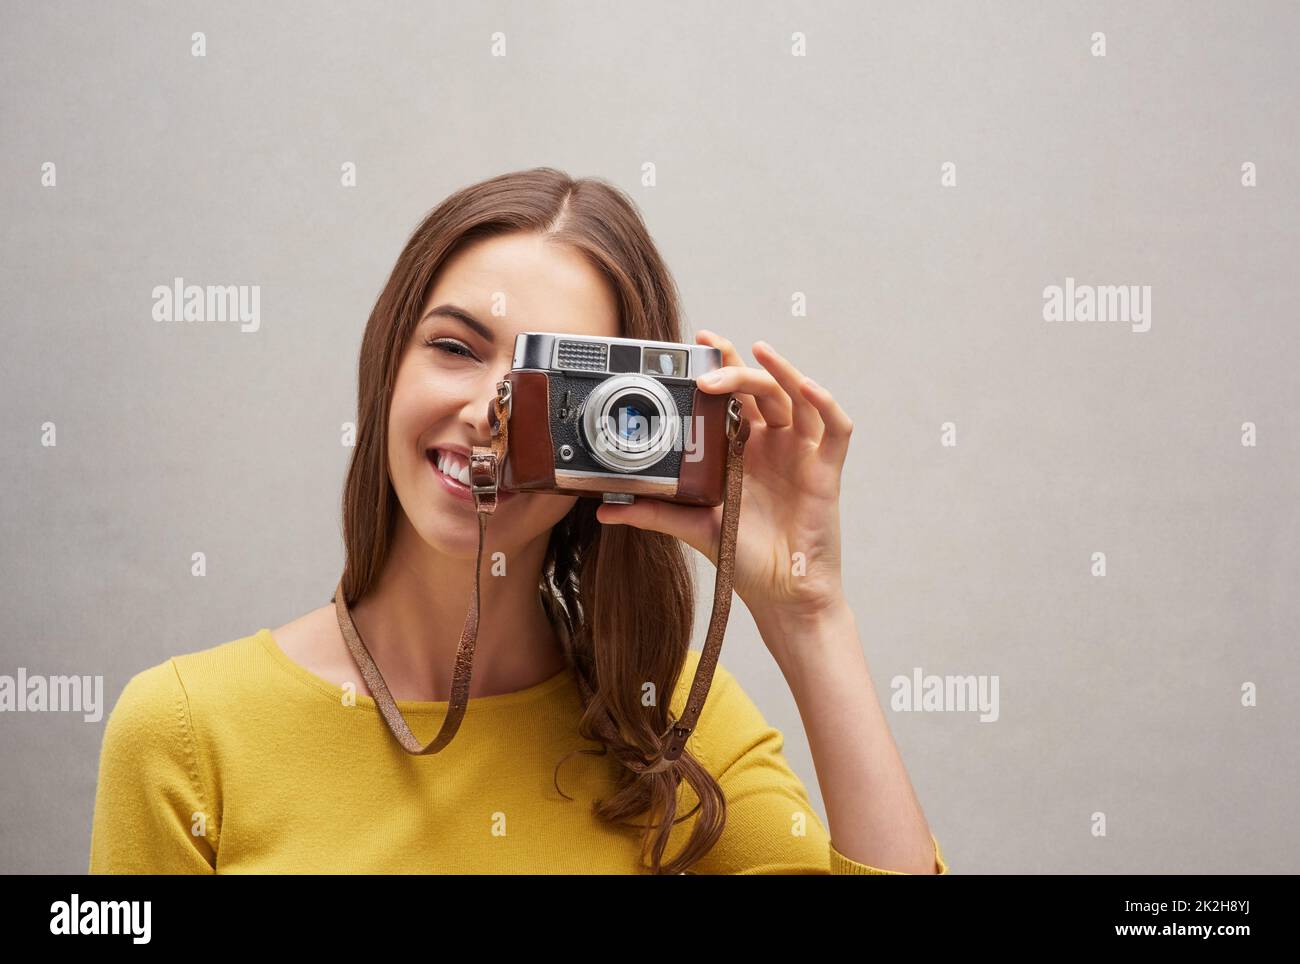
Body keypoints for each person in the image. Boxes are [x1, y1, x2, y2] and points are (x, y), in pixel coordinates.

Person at [88, 167, 948, 875]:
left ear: (626, 431)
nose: (490, 411)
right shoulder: (186, 731)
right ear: (388, 365)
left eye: (549, 386)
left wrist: (810, 613)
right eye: (457, 348)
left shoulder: (673, 725)